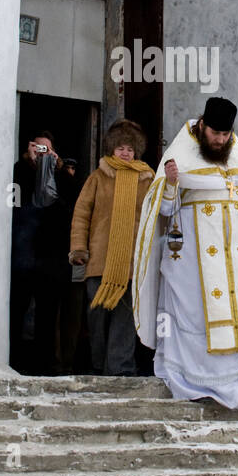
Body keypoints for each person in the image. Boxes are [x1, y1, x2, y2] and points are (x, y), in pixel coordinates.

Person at [133, 96, 238, 408]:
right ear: (202, 126)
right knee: (196, 308)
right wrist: (171, 184)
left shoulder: (237, 151)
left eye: (226, 135)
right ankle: (196, 378)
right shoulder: (180, 153)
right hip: (196, 255)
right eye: (216, 134)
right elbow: (164, 210)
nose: (221, 140)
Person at [69, 120, 154, 376]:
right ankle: (97, 365)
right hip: (99, 261)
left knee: (125, 319)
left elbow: (155, 219)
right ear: (111, 149)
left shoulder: (147, 179)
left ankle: (119, 368)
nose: (125, 153)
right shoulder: (98, 177)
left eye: (130, 148)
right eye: (120, 148)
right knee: (97, 317)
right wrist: (78, 249)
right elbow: (82, 214)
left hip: (131, 263)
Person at [9, 131, 71, 375]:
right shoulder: (18, 170)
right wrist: (30, 165)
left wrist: (56, 170)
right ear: (30, 148)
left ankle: (44, 368)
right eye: (39, 148)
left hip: (50, 259)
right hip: (21, 257)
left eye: (48, 149)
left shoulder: (60, 175)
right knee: (17, 312)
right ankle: (14, 363)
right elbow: (12, 205)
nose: (43, 153)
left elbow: (68, 206)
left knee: (47, 317)